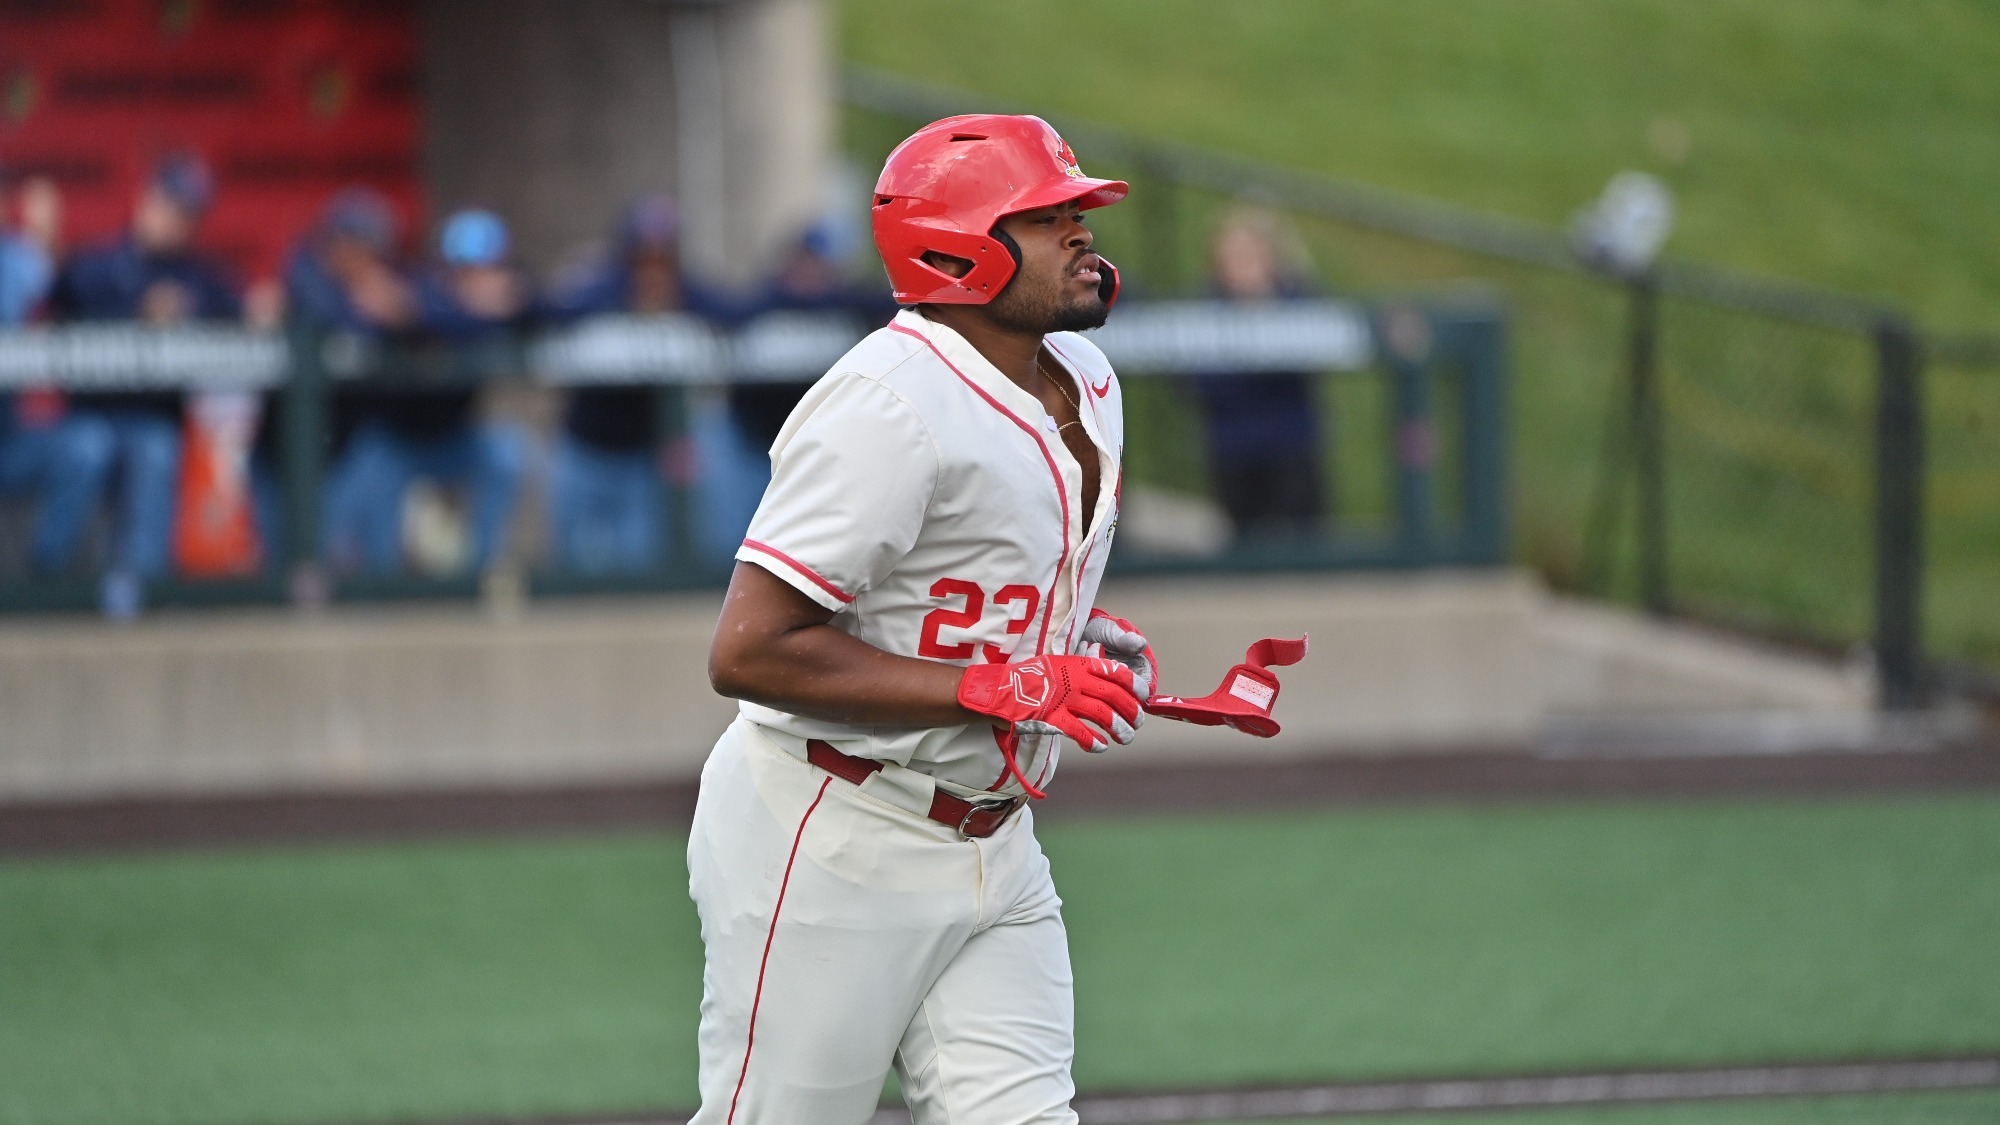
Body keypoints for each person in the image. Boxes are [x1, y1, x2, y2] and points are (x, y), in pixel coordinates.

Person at [692, 114, 1158, 1125]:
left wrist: (1070, 641)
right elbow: (747, 648)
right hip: (834, 826)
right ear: (954, 250)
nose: (1081, 232)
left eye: (1077, 209)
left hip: (997, 840)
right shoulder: (886, 403)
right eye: (1044, 217)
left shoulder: (1086, 380)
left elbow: (966, 585)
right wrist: (990, 684)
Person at [51, 153, 242, 602]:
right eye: (169, 205)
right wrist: (136, 313)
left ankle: (139, 592)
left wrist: (198, 311)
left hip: (152, 417)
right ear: (146, 200)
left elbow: (234, 310)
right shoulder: (100, 262)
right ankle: (47, 580)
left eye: (187, 213)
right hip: (92, 413)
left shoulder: (198, 275)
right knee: (85, 448)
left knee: (156, 448)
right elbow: (64, 297)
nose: (174, 220)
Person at [320, 207, 530, 575]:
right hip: (394, 442)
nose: (475, 279)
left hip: (456, 441)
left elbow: (544, 308)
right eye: (463, 269)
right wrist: (420, 314)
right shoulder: (420, 287)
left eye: (484, 268)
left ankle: (476, 578)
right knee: (356, 546)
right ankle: (379, 594)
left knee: (508, 453)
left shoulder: (508, 297)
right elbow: (389, 314)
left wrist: (502, 306)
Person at [543, 195, 730, 573]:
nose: (652, 269)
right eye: (643, 258)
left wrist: (675, 307)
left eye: (662, 258)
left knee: (637, 571)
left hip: (641, 463)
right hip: (584, 451)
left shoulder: (689, 295)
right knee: (572, 574)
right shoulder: (599, 294)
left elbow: (741, 311)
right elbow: (542, 312)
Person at [0, 173, 116, 576]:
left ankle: (42, 577)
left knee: (87, 444)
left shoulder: (18, 258)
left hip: (8, 441)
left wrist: (45, 239)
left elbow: (68, 296)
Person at [1191, 209, 1328, 539]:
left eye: (1250, 257)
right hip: (1233, 452)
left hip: (1292, 447)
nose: (1242, 268)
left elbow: (1311, 364)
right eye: (1233, 259)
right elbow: (1196, 383)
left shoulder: (1300, 304)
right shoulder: (1205, 313)